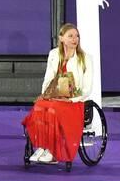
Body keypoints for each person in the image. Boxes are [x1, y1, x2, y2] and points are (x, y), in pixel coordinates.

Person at [24, 22, 93, 165]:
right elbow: (48, 79)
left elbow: (87, 88)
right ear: (61, 38)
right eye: (70, 36)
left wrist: (72, 100)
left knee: (53, 108)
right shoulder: (54, 54)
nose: (75, 39)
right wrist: (44, 94)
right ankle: (42, 146)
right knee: (39, 105)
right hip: (56, 95)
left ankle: (51, 151)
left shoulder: (85, 58)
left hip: (74, 100)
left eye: (77, 36)